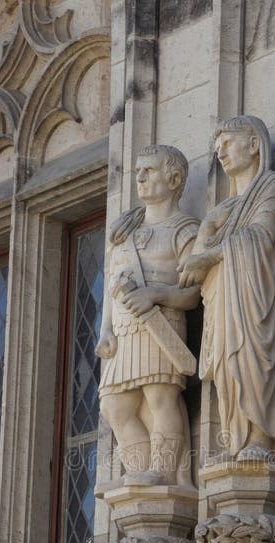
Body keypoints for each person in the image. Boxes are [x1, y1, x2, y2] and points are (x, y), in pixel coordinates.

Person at [178, 115, 275, 466]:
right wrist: (208, 227)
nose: (221, 153)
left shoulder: (271, 186)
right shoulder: (223, 209)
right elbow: (196, 267)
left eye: (227, 143)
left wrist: (211, 253)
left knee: (249, 361)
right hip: (223, 299)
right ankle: (236, 440)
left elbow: (261, 235)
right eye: (217, 148)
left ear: (254, 144)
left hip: (251, 297)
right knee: (227, 365)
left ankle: (259, 438)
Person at [96, 144, 200, 486]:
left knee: (160, 396)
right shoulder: (124, 232)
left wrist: (156, 294)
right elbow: (111, 285)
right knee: (114, 405)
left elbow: (194, 293)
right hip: (124, 329)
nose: (139, 177)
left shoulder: (185, 230)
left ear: (174, 178)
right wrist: (105, 330)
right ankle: (140, 472)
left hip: (161, 325)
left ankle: (164, 473)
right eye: (138, 170)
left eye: (149, 170)